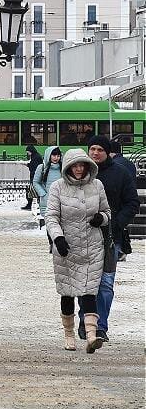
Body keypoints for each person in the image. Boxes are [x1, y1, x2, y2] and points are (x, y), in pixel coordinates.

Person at [45, 149, 111, 353]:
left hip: (92, 247)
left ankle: (92, 335)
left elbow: (107, 212)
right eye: (75, 166)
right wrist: (58, 238)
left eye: (82, 165)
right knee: (67, 293)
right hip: (66, 248)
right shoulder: (57, 187)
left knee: (90, 291)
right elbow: (51, 216)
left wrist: (101, 218)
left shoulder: (97, 185)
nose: (79, 169)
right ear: (68, 167)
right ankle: (69, 334)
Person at [76, 136, 139, 342]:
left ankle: (100, 326)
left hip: (110, 238)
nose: (95, 153)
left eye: (99, 150)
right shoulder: (79, 172)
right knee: (84, 283)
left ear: (107, 152)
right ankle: (86, 321)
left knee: (105, 283)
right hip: (83, 237)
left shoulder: (120, 174)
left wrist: (115, 224)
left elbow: (132, 203)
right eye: (92, 149)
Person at [32, 146, 62, 229]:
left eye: (58, 156)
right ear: (49, 155)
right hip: (47, 202)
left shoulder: (63, 169)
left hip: (61, 202)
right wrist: (44, 194)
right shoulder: (41, 168)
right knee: (50, 226)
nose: (56, 158)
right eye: (54, 155)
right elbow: (35, 182)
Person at [22, 144, 43, 210]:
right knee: (32, 191)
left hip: (35, 177)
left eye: (28, 152)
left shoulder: (36, 157)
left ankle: (32, 205)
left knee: (33, 191)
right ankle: (35, 204)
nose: (27, 153)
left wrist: (27, 164)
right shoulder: (35, 156)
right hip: (35, 176)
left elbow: (34, 167)